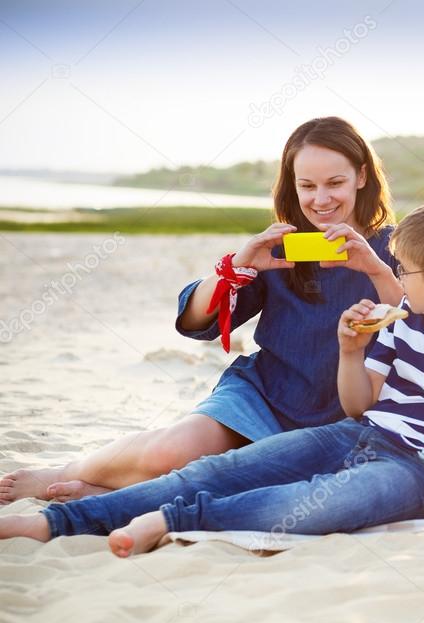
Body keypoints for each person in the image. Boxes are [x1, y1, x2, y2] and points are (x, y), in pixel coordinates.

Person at [0, 197, 424, 554]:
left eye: (408, 272)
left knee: (317, 506)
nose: (399, 282)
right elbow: (358, 406)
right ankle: (56, 521)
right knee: (222, 469)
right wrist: (347, 350)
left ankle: (177, 521)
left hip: (421, 472)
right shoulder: (404, 320)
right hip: (352, 435)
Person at [0, 117, 403, 504]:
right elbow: (194, 322)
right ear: (292, 186)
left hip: (345, 417)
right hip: (265, 395)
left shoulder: (397, 248)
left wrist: (376, 269)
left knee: (263, 488)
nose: (321, 199)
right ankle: (67, 471)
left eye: (335, 183)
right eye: (307, 185)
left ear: (361, 177)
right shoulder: (281, 247)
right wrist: (235, 269)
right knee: (168, 453)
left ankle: (119, 495)